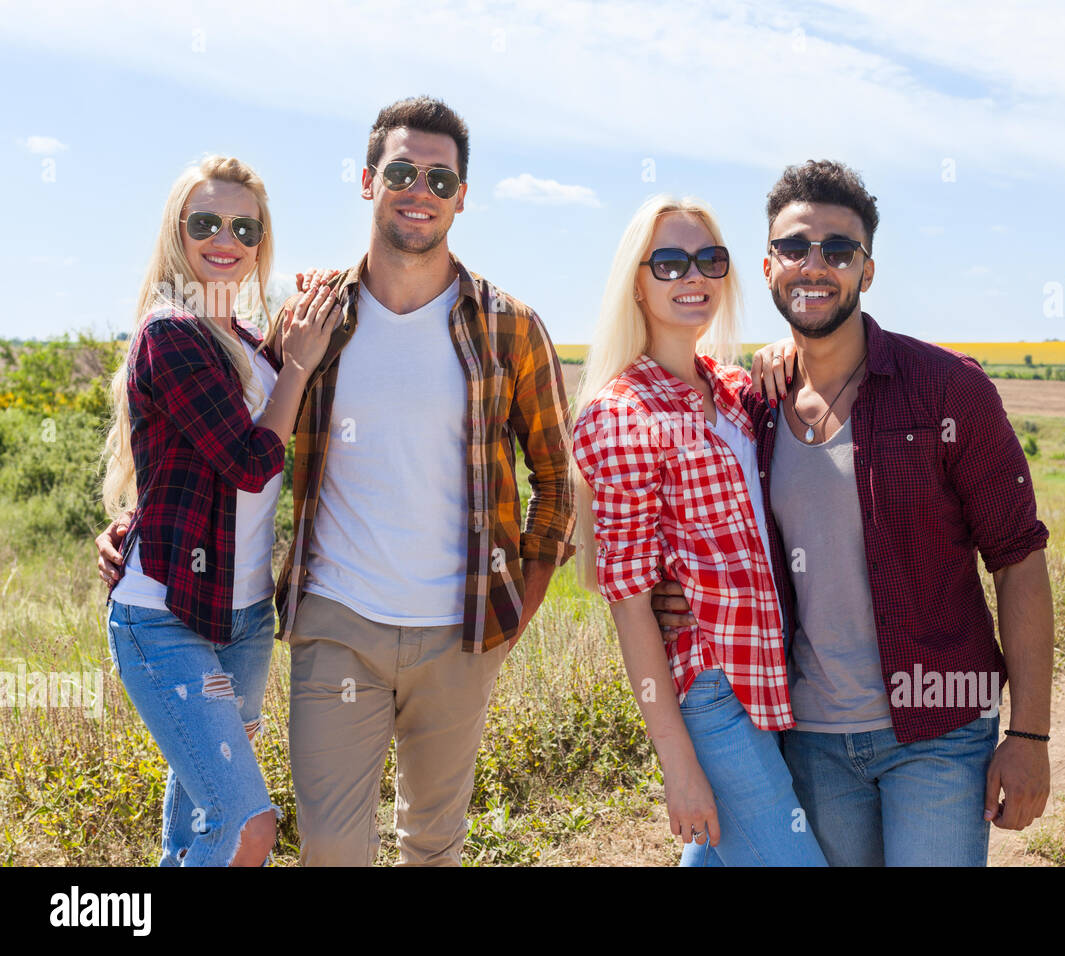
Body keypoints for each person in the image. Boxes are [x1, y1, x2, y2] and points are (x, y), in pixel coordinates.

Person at [98, 96, 576, 866]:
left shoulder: (508, 324)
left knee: (434, 844)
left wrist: (525, 598)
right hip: (334, 627)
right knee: (329, 850)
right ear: (367, 180)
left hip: (460, 632)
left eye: (440, 178)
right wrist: (135, 524)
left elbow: (557, 476)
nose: (419, 189)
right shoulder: (313, 319)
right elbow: (219, 445)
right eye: (401, 170)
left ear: (462, 194)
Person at [652, 160, 1054, 866]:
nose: (816, 265)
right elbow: (710, 536)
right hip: (808, 736)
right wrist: (674, 593)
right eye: (796, 248)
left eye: (839, 250)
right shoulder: (753, 410)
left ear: (866, 271)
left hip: (939, 733)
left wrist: (1029, 738)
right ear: (769, 266)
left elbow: (1019, 560)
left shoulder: (948, 391)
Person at [570, 194, 827, 866]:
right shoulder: (622, 414)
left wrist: (784, 351)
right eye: (670, 262)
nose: (694, 277)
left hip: (773, 678)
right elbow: (630, 607)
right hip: (710, 690)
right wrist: (677, 764)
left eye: (710, 260)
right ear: (636, 281)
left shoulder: (734, 392)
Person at [98, 155, 336, 866]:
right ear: (178, 232)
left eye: (244, 226)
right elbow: (251, 460)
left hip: (244, 618)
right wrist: (298, 366)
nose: (224, 238)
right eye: (205, 222)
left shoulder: (250, 346)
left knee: (202, 818)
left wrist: (295, 347)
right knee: (244, 828)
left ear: (262, 241)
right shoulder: (172, 334)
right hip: (165, 614)